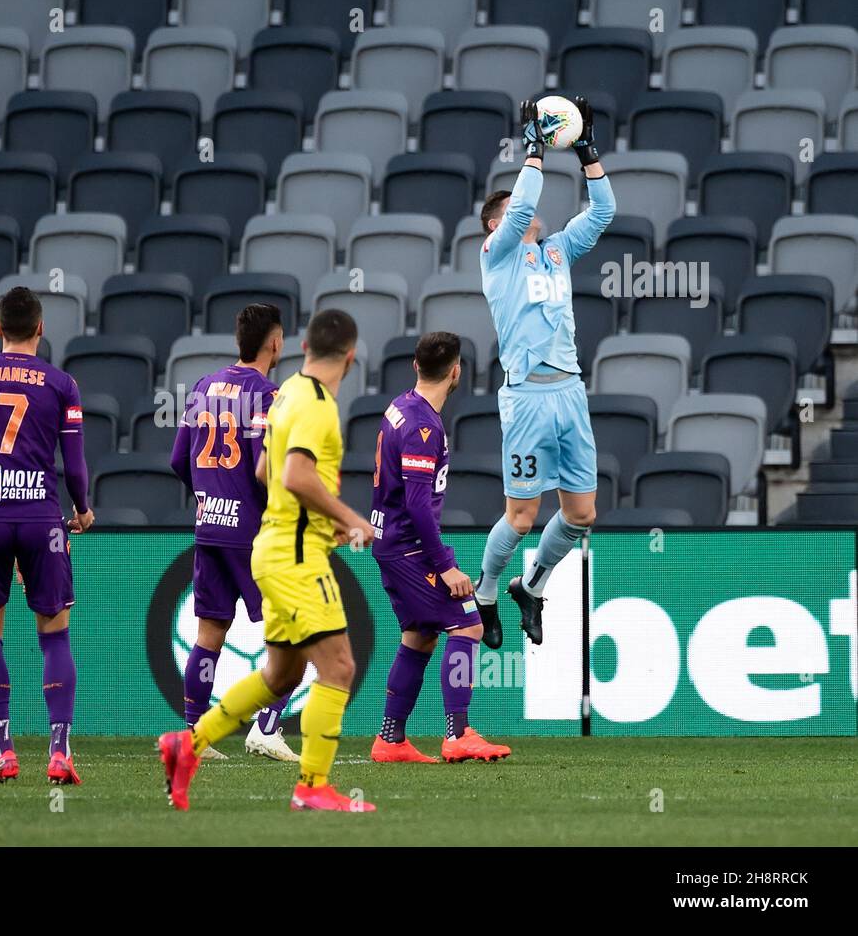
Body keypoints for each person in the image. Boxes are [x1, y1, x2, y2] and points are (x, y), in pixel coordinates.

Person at [158, 309, 378, 812]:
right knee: (338, 667)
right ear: (350, 356)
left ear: (302, 348)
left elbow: (264, 466)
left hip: (261, 543)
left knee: (281, 674)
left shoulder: (290, 394)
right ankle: (313, 787)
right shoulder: (311, 403)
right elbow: (294, 475)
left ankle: (187, 744)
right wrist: (349, 519)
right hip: (294, 555)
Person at [474, 95, 616, 648]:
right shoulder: (497, 254)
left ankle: (530, 586)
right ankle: (485, 593)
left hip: (570, 393)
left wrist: (586, 152)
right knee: (522, 514)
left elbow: (603, 212)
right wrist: (533, 148)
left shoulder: (556, 250)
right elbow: (521, 204)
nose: (533, 212)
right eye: (516, 210)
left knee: (582, 513)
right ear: (497, 222)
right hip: (528, 397)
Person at [0, 287, 93, 785]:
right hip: (42, 519)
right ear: (41, 329)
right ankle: (60, 751)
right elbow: (75, 462)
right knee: (54, 632)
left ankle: (3, 751)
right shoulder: (62, 383)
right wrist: (84, 509)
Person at [369, 332, 511, 765]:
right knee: (468, 624)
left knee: (420, 635)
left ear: (415, 365)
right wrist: (445, 566)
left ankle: (391, 739)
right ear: (456, 371)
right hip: (408, 546)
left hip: (389, 542)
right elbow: (416, 504)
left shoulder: (400, 407)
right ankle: (458, 732)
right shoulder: (423, 426)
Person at [169, 304, 297, 762]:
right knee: (294, 633)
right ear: (275, 342)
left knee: (210, 633)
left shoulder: (203, 388)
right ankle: (266, 728)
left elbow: (177, 459)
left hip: (209, 528)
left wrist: (208, 495)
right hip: (253, 534)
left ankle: (193, 737)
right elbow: (267, 471)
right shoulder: (269, 395)